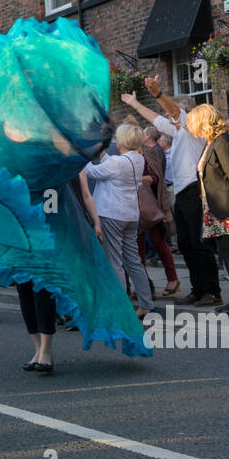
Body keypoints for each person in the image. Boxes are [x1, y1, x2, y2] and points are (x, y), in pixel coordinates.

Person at [122, 79, 221, 307]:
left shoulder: (191, 130)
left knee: (199, 244)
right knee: (186, 244)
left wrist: (158, 94)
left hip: (194, 191)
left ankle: (212, 290)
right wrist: (136, 105)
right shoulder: (178, 133)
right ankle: (198, 289)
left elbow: (173, 110)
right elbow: (156, 119)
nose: (170, 118)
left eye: (174, 115)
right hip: (183, 193)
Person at [185, 105, 229, 313]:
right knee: (226, 253)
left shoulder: (223, 141)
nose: (191, 127)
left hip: (228, 206)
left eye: (192, 123)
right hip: (217, 207)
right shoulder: (212, 142)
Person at [86, 124, 155, 318]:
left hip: (112, 214)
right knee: (133, 261)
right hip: (131, 215)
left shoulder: (117, 163)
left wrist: (82, 157)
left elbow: (92, 172)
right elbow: (112, 164)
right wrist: (102, 154)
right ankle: (145, 303)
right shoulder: (137, 159)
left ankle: (120, 306)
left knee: (114, 261)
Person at [137, 125, 179, 296]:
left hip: (150, 204)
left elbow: (155, 177)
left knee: (158, 241)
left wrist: (137, 178)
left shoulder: (149, 152)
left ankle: (172, 278)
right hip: (134, 206)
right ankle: (145, 286)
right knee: (137, 247)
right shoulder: (125, 155)